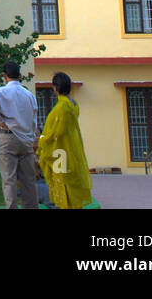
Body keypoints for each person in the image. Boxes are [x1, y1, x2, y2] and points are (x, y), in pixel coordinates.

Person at [0, 61, 39, 209]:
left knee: (9, 178)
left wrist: (0, 120)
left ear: (5, 76)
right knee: (29, 179)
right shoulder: (29, 95)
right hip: (26, 139)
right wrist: (32, 137)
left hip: (8, 137)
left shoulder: (0, 92)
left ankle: (12, 207)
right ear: (19, 76)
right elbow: (34, 119)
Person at [36, 72, 92, 209]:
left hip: (60, 153)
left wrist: (40, 141)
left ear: (55, 88)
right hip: (71, 150)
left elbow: (55, 133)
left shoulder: (61, 108)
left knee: (63, 188)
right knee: (71, 188)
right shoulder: (73, 104)